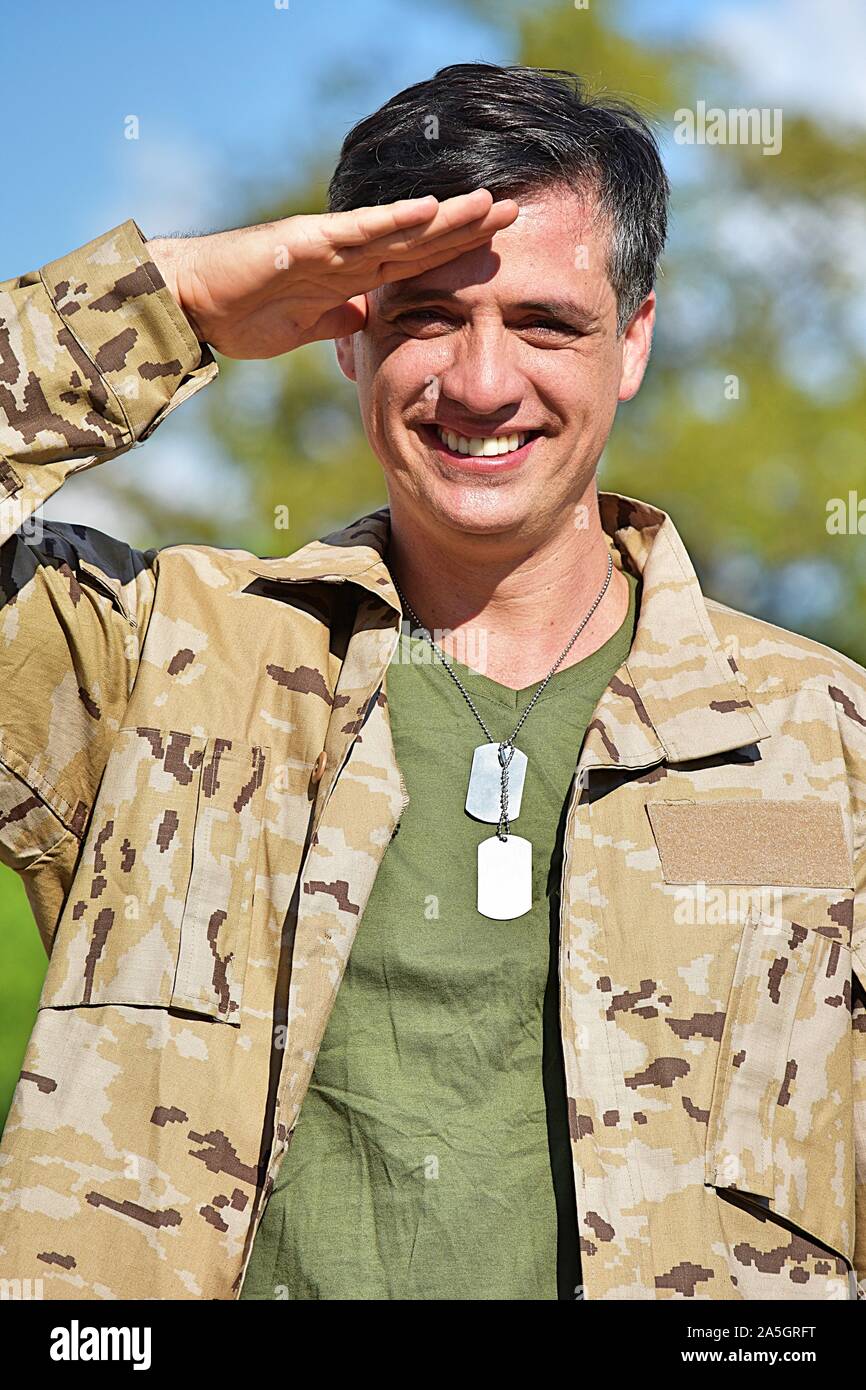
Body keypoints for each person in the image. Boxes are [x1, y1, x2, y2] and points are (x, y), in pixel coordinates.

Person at [0, 62, 864, 1302]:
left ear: (633, 341)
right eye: (422, 317)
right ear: (346, 334)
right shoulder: (152, 663)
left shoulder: (826, 741)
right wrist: (170, 299)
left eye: (546, 323)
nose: (478, 383)